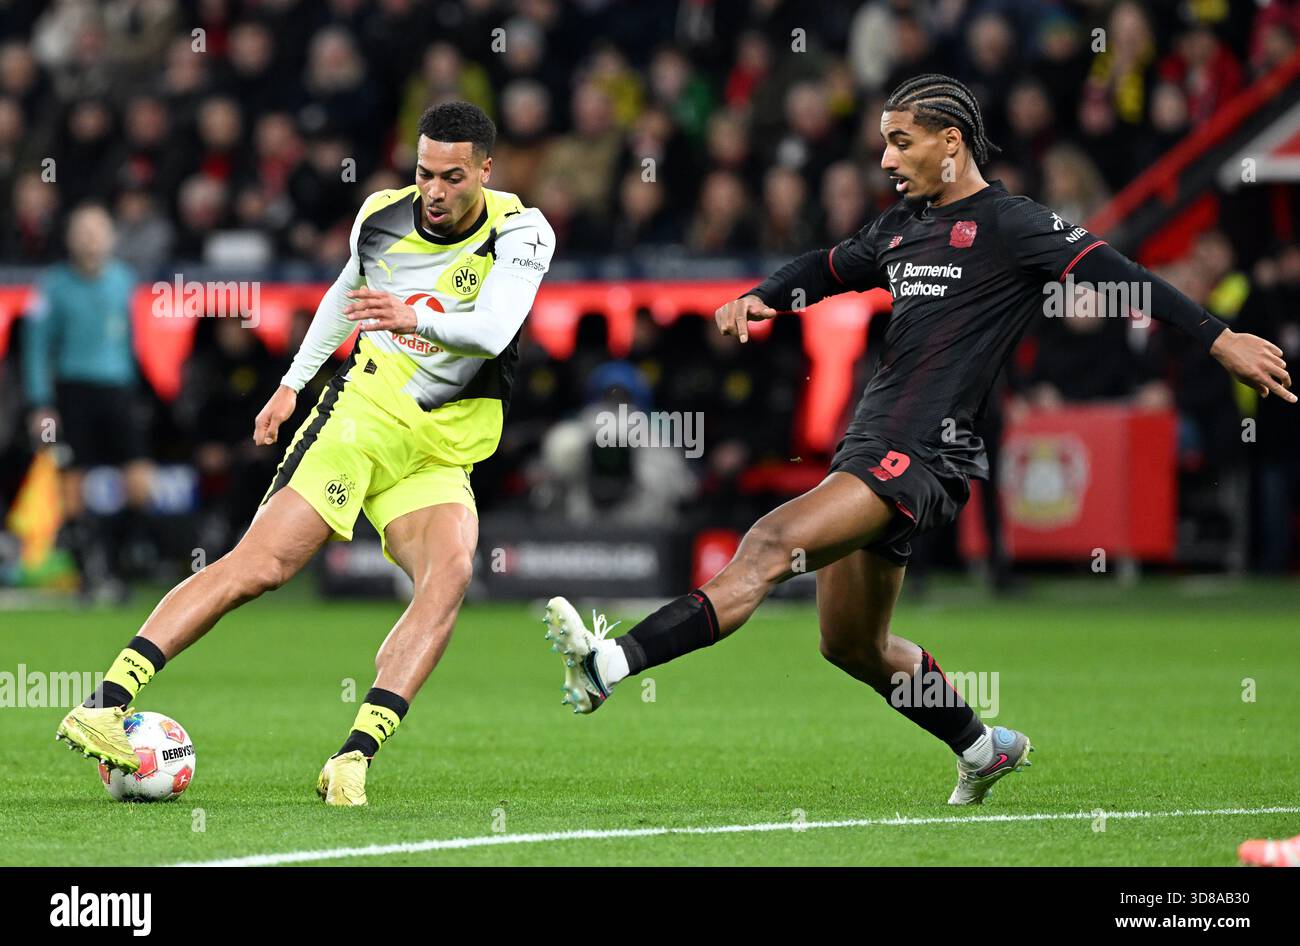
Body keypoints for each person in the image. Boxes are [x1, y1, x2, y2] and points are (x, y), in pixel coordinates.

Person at [542, 75, 1294, 806]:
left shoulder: (1011, 224)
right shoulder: (901, 228)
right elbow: (829, 268)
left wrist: (1218, 337)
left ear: (951, 142)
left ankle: (609, 661)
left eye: (901, 143)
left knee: (769, 544)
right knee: (852, 645)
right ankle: (981, 747)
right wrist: (764, 297)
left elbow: (1118, 272)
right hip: (869, 443)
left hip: (924, 453)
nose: (886, 160)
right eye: (884, 144)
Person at [55, 101, 557, 806]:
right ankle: (106, 701)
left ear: (485, 170)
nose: (434, 192)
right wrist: (291, 385)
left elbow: (498, 327)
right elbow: (341, 294)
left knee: (449, 576)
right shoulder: (382, 217)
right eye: (423, 174)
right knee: (260, 566)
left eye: (451, 177)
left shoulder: (523, 231)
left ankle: (353, 756)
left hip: (443, 453)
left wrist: (412, 314)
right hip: (360, 421)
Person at [22, 204, 151, 601]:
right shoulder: (52, 286)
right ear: (70, 238)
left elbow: (138, 342)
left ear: (111, 237)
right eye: (82, 231)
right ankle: (85, 572)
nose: (90, 239)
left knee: (140, 483)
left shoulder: (126, 282)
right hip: (73, 392)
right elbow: (36, 349)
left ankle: (118, 561)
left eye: (97, 231)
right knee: (73, 483)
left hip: (118, 391)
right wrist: (40, 403)